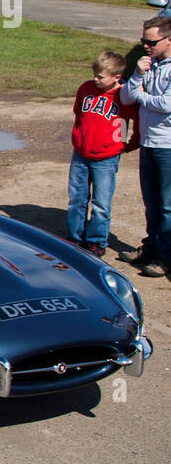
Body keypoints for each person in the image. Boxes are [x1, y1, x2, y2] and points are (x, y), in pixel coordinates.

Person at [68, 51, 139, 257]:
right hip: (81, 153)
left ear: (117, 77)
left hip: (106, 157)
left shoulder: (124, 96)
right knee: (76, 198)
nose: (96, 80)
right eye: (95, 75)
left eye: (101, 77)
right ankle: (74, 237)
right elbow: (79, 113)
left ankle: (96, 241)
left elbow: (133, 122)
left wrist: (127, 144)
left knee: (101, 203)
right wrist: (79, 137)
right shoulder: (86, 88)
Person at [121, 16, 171, 279]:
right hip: (148, 142)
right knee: (151, 203)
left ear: (168, 40)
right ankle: (150, 248)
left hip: (168, 146)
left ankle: (165, 257)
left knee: (166, 206)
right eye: (143, 41)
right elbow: (126, 97)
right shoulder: (148, 65)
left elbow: (165, 105)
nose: (145, 47)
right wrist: (138, 75)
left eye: (150, 42)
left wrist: (142, 96)